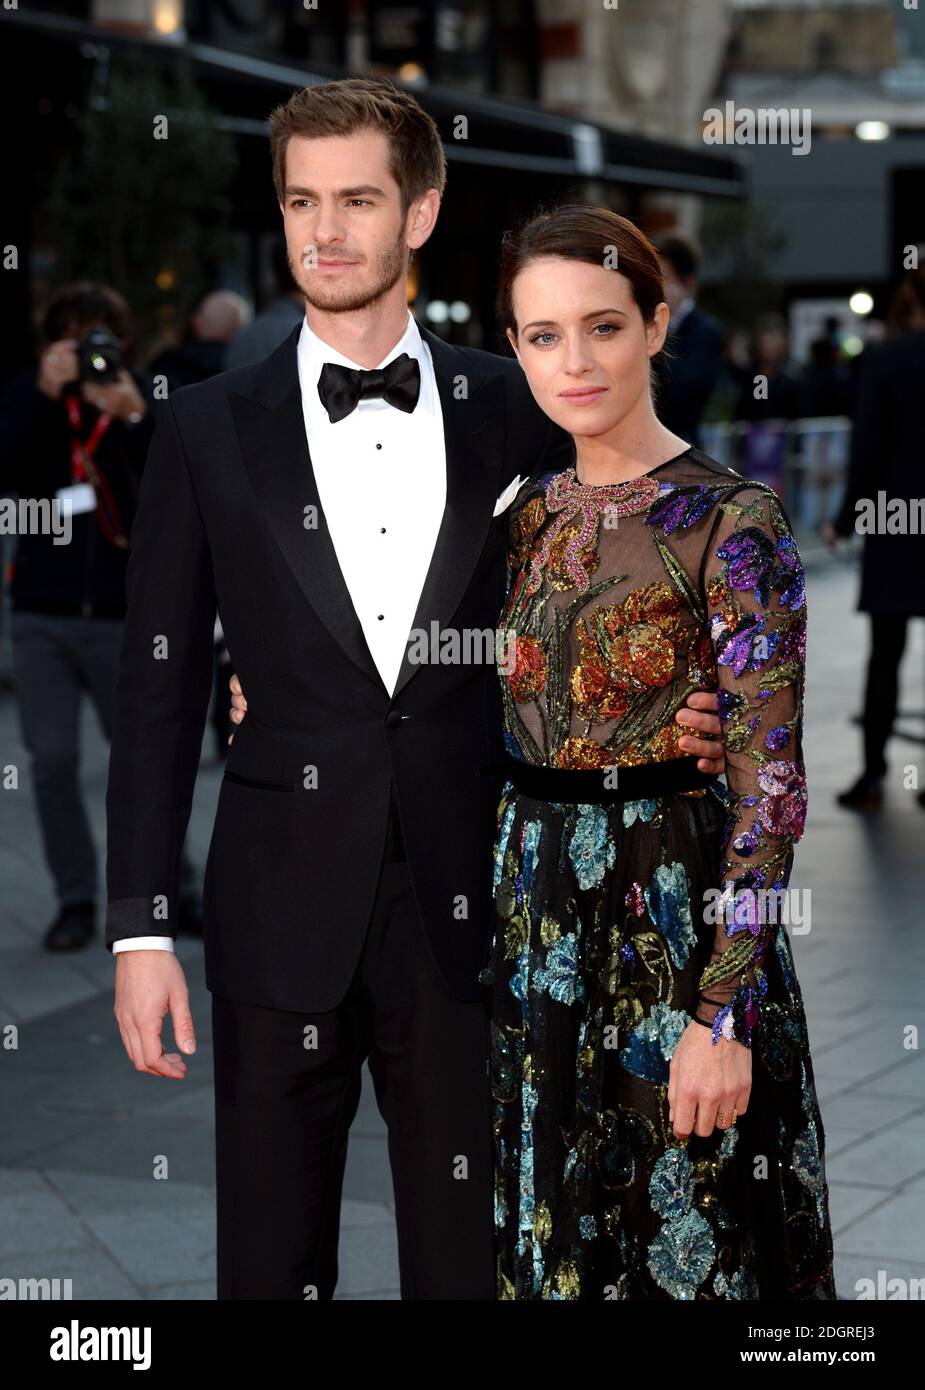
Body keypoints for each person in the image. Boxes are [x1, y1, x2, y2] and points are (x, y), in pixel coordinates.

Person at [106, 76, 725, 1301]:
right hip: (278, 902)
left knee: (472, 1263)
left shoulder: (515, 405)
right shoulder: (204, 429)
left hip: (478, 906)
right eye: (299, 201)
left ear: (421, 212)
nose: (323, 231)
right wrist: (139, 926)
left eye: (356, 199)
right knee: (269, 1262)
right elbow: (155, 692)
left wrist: (685, 708)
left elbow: (617, 587)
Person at [477, 205, 836, 1299]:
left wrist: (719, 1016)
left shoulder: (735, 520)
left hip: (671, 916)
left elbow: (770, 796)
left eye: (602, 326)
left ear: (656, 324)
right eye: (542, 335)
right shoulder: (526, 508)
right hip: (537, 913)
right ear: (514, 348)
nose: (573, 360)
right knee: (560, 1248)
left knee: (695, 1241)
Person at [0, 282, 201, 951]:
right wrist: (40, 395)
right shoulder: (29, 392)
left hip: (126, 612)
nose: (87, 348)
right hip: (42, 613)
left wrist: (137, 419)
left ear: (123, 341)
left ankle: (173, 890)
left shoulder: (144, 392)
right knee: (52, 761)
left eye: (100, 335)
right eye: (72, 335)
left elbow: (181, 490)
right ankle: (77, 898)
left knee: (145, 761)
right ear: (50, 342)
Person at [823, 270, 925, 811]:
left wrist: (844, 517)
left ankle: (872, 775)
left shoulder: (888, 360)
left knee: (885, 654)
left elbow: (868, 449)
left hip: (895, 521)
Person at [651, 232, 723, 448]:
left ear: (687, 283)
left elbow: (683, 393)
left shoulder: (706, 331)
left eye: (665, 279)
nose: (657, 287)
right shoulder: (644, 325)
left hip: (683, 445)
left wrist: (657, 331)